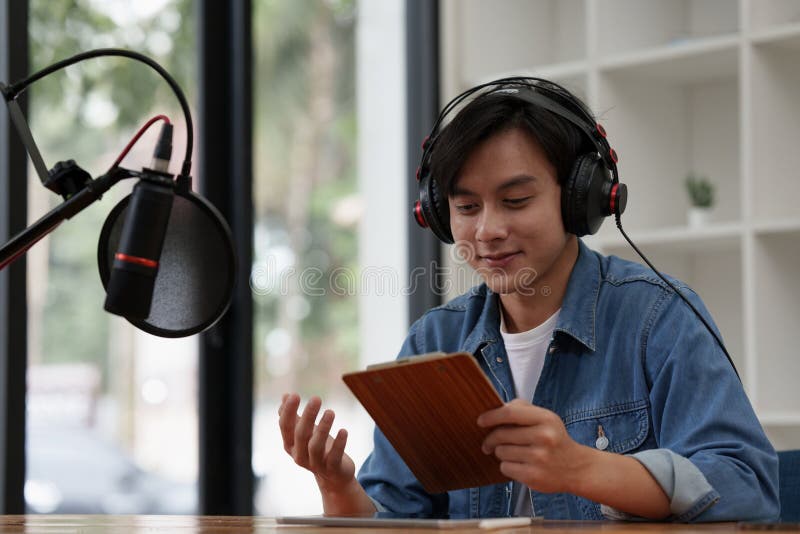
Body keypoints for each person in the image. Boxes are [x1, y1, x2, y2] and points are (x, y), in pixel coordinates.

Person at [278, 78, 779, 521]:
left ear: (580, 198)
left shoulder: (657, 317)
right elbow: (397, 520)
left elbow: (747, 486)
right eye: (466, 206)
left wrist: (585, 469)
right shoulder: (436, 340)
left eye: (516, 201)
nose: (488, 230)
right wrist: (338, 486)